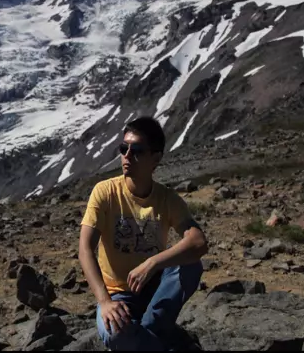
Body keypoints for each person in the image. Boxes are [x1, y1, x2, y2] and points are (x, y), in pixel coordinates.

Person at [79, 116, 208, 351]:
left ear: (155, 158)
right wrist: (105, 302)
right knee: (114, 335)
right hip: (117, 295)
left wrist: (153, 263)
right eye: (123, 148)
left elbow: (198, 242)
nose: (127, 156)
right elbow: (85, 249)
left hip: (155, 289)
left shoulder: (167, 199)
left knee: (191, 264)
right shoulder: (105, 192)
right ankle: (159, 336)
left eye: (137, 150)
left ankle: (145, 334)